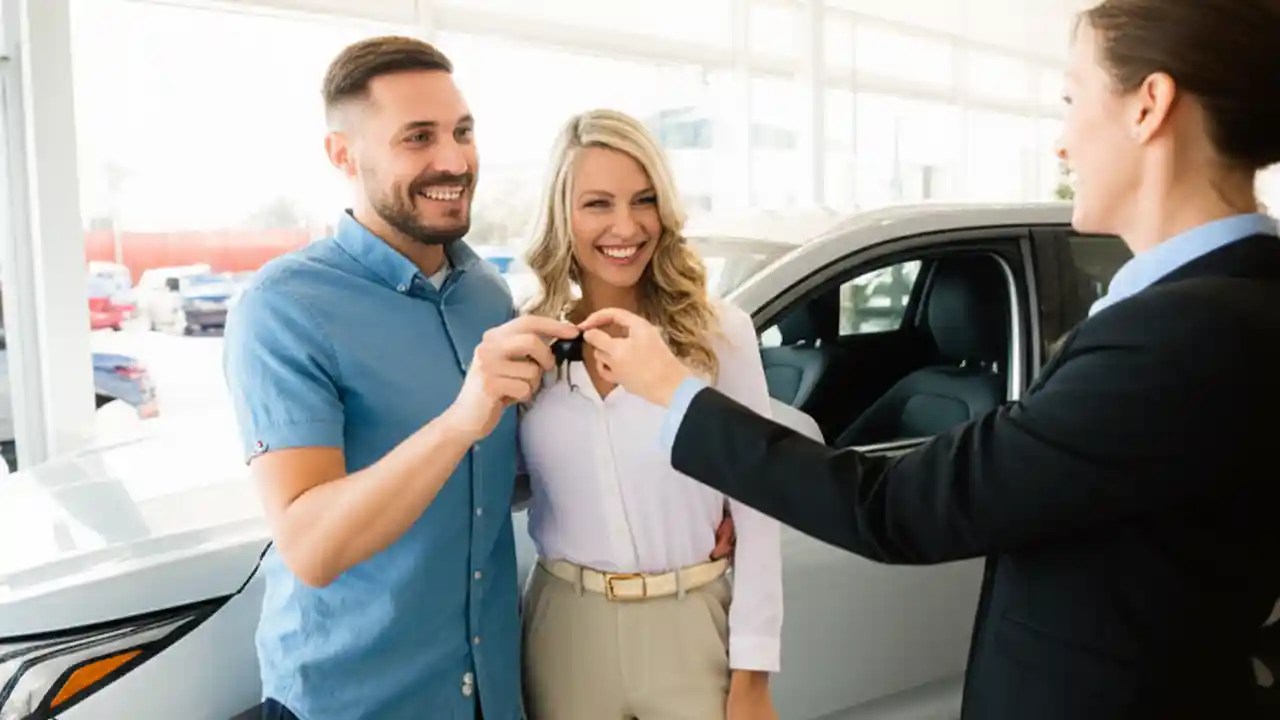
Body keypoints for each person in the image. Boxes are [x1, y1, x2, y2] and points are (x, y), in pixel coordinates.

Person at [573, 1, 1280, 718]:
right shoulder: (1233, 303)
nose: (1062, 145)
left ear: (1148, 106)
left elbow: (898, 509)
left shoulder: (1184, 336)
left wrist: (675, 390)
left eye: (1071, 100)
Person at [223, 36, 580, 720]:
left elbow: (489, 486)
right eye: (418, 138)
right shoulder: (285, 308)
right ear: (342, 154)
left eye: (463, 132)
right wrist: (461, 420)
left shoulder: (485, 292)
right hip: (354, 703)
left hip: (491, 694)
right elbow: (311, 545)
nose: (454, 160)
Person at [515, 109, 783, 720]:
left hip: (691, 624)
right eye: (597, 204)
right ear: (562, 213)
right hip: (565, 630)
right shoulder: (525, 339)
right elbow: (505, 484)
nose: (626, 226)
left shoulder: (720, 336)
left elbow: (760, 509)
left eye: (643, 200)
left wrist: (754, 674)